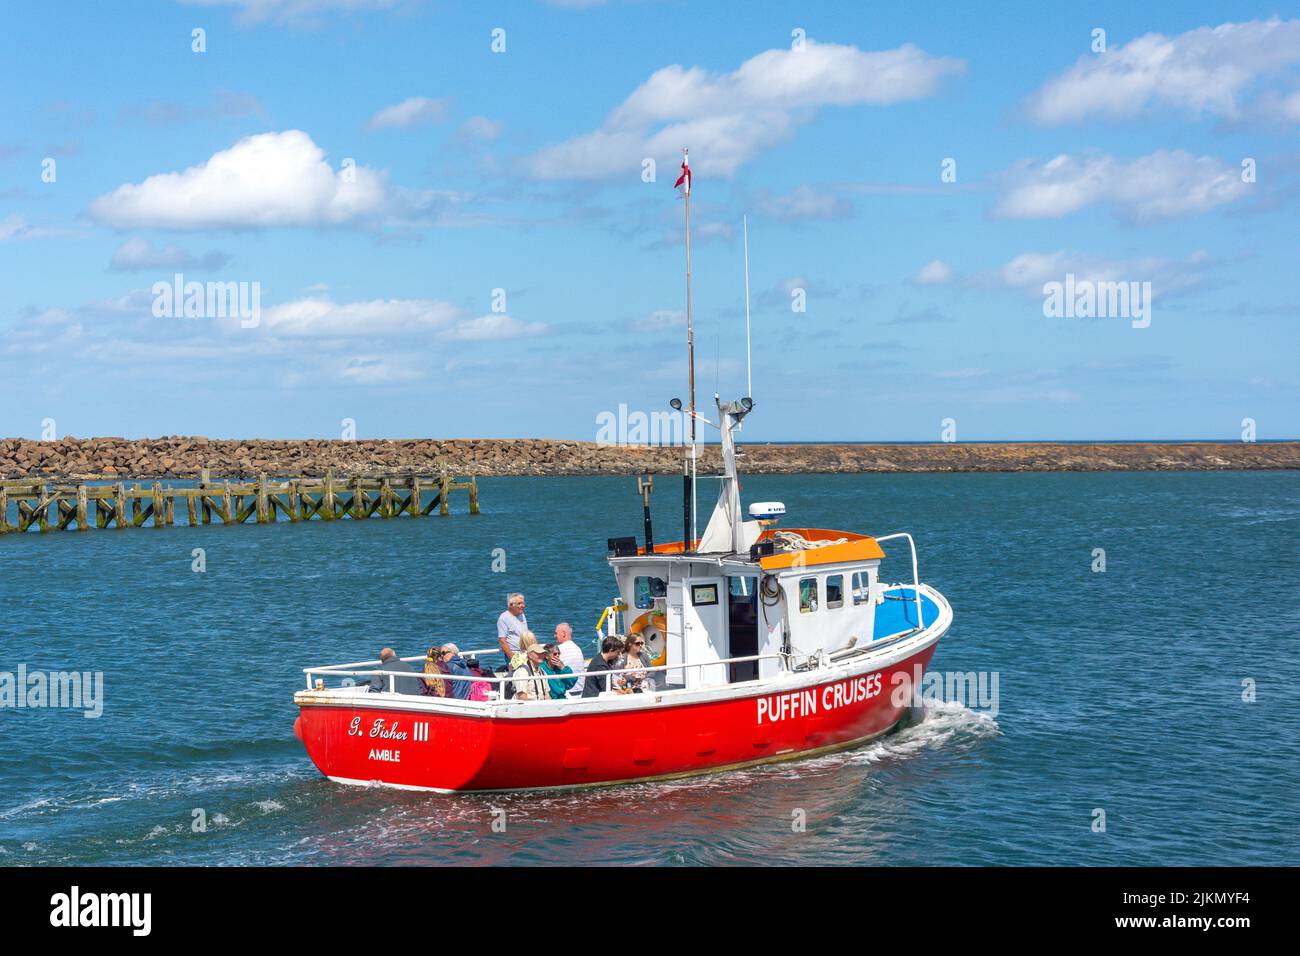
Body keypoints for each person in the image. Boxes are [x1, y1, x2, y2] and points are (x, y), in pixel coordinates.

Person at [553, 623, 586, 695]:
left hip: (568, 691)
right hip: (580, 689)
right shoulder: (577, 648)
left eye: (556, 633)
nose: (554, 636)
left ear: (564, 634)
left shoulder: (559, 650)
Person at [496, 593, 528, 667]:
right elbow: (502, 640)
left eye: (523, 603)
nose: (523, 606)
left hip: (525, 653)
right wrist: (512, 657)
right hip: (514, 654)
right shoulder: (503, 618)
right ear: (511, 605)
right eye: (519, 603)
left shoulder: (522, 615)